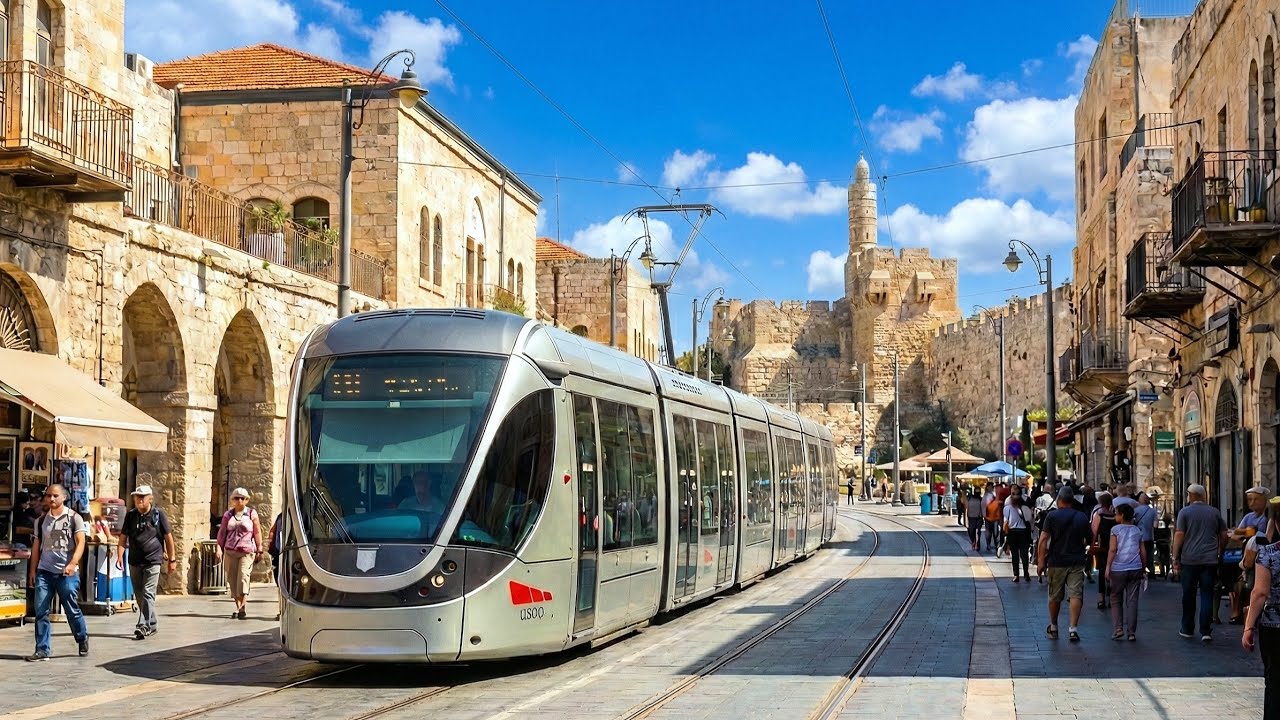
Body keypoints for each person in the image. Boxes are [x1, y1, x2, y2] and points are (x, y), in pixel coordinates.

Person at [26, 484, 88, 661]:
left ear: (64, 497)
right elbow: (37, 546)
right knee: (41, 610)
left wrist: (73, 563)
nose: (51, 499)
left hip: (66, 573)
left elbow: (81, 542)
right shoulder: (41, 521)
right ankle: (42, 649)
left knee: (71, 608)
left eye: (55, 496)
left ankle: (82, 637)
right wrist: (33, 569)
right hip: (45, 572)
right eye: (48, 496)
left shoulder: (74, 518)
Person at [116, 485, 175, 640]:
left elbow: (168, 538)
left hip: (153, 560)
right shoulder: (131, 516)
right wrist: (119, 556)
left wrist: (172, 560)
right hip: (135, 560)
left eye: (143, 497)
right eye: (137, 496)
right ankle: (152, 622)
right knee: (140, 595)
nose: (139, 499)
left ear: (150, 498)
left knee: (148, 592)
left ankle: (144, 625)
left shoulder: (158, 514)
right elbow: (123, 537)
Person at [1173, 483, 1228, 641]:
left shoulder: (1185, 512)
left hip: (1189, 559)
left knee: (1188, 594)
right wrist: (1220, 551)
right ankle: (1205, 631)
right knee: (1206, 594)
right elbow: (1224, 535)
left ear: (1190, 496)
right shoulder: (1214, 512)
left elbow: (1179, 535)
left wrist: (1175, 557)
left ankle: (1187, 628)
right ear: (1203, 496)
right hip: (1209, 560)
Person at [1037, 486, 1091, 642]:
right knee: (1075, 594)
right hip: (1077, 560)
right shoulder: (1081, 517)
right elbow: (1088, 538)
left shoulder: (1052, 516)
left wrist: (1041, 561)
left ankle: (1053, 626)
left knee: (1054, 595)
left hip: (1057, 561)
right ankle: (1073, 629)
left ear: (1059, 499)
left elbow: (1043, 540)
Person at [1243, 524, 1280, 720]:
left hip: (1274, 625)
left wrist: (1248, 626)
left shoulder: (1268, 553)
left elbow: (1260, 593)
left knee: (1274, 680)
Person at [216, 487, 263, 620]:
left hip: (246, 551)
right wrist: (219, 548)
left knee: (243, 577)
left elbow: (257, 532)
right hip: (230, 551)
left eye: (243, 498)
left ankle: (241, 607)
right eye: (237, 498)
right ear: (232, 500)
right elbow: (222, 533)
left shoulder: (251, 514)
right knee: (233, 580)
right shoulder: (228, 515)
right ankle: (238, 606)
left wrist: (259, 548)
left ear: (246, 500)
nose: (240, 500)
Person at [1106, 502, 1146, 641]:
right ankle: (1131, 632)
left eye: (1116, 513)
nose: (1115, 516)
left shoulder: (1115, 530)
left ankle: (1118, 629)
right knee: (1132, 600)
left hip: (1118, 567)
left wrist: (1107, 567)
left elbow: (1112, 549)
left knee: (1116, 598)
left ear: (1122, 515)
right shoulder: (1137, 530)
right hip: (1135, 567)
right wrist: (1143, 566)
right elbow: (1143, 551)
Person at [1091, 492, 1117, 609]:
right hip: (1115, 547)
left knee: (1102, 572)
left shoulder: (1099, 515)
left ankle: (1101, 598)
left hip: (1102, 547)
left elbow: (1094, 532)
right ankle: (1112, 597)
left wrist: (1092, 546)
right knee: (1113, 572)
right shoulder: (1116, 516)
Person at [1003, 487, 1033, 583]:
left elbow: (1005, 522)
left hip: (1013, 532)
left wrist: (1005, 533)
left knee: (1015, 555)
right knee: (1023, 554)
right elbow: (1030, 520)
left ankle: (1017, 575)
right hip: (1023, 532)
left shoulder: (1007, 506)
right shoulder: (1025, 505)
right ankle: (1025, 573)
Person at [1135, 491, 1158, 576]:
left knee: (1139, 554)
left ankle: (1140, 570)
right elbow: (1155, 525)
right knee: (1150, 555)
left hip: (1138, 537)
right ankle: (1151, 571)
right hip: (1149, 537)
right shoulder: (1153, 511)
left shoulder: (1135, 510)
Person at [966, 487, 984, 552]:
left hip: (979, 518)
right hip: (971, 518)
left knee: (978, 531)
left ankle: (977, 544)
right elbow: (966, 508)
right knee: (971, 531)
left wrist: (983, 516)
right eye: (976, 491)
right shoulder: (969, 498)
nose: (977, 493)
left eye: (978, 491)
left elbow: (983, 509)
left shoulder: (981, 499)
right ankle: (973, 541)